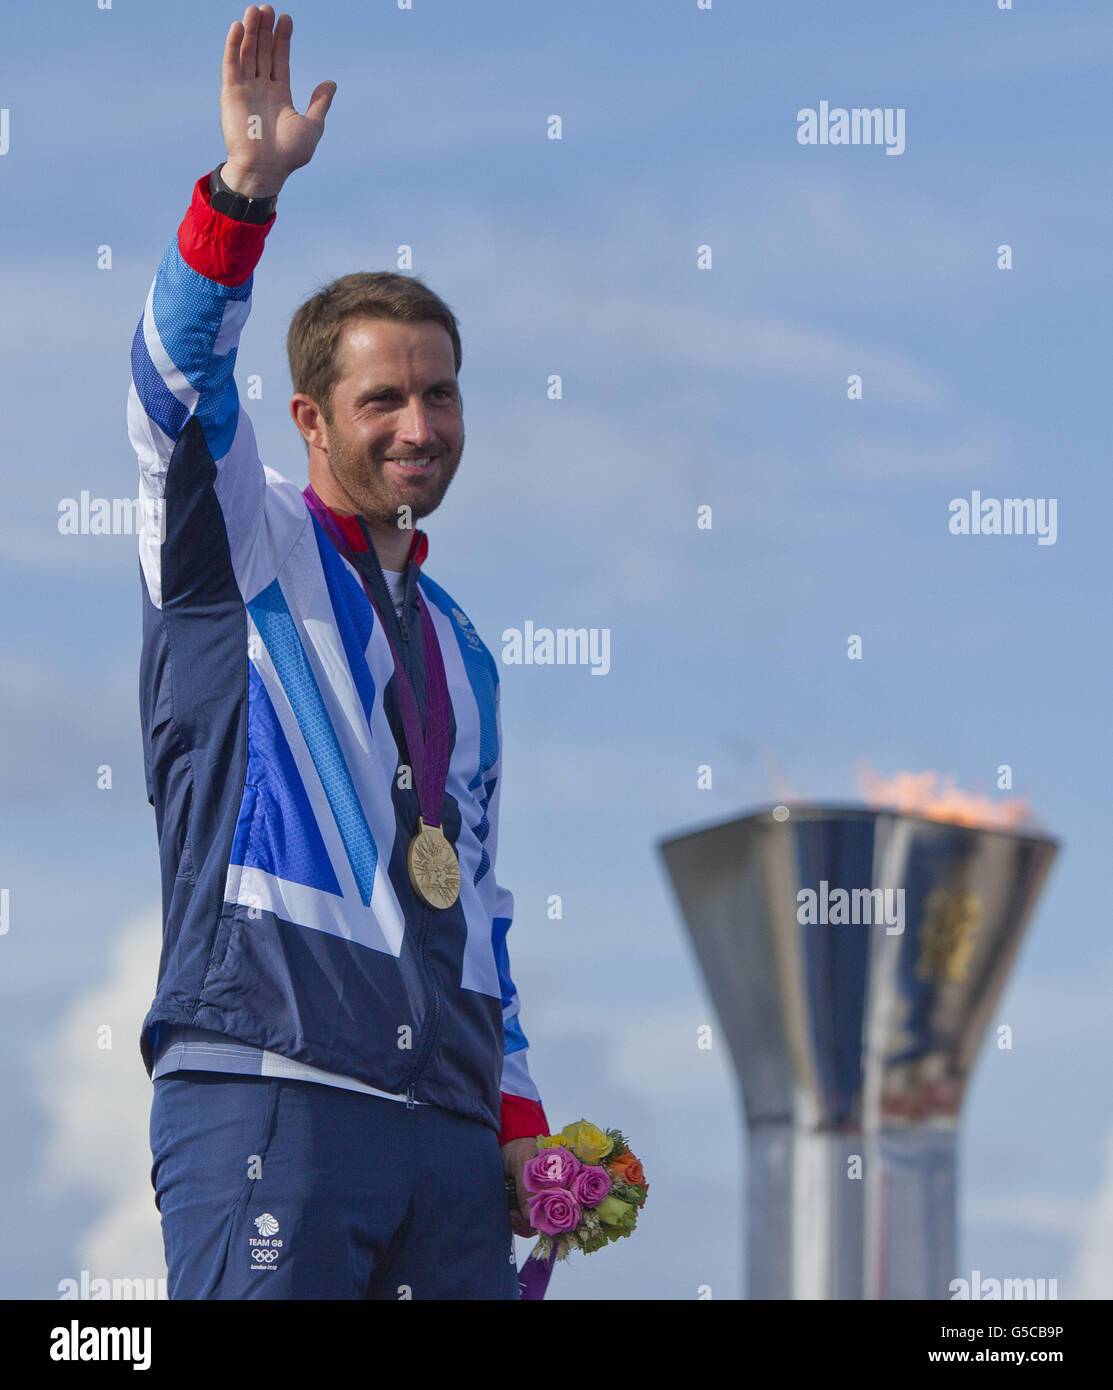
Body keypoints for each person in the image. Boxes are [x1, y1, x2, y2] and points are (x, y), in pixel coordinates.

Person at [130, 4, 548, 1300]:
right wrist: (240, 198)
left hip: (446, 1135)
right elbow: (173, 386)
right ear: (309, 417)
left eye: (440, 393)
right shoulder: (237, 550)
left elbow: (474, 896)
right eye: (384, 399)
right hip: (274, 1091)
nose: (418, 426)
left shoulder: (464, 651)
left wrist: (520, 1120)